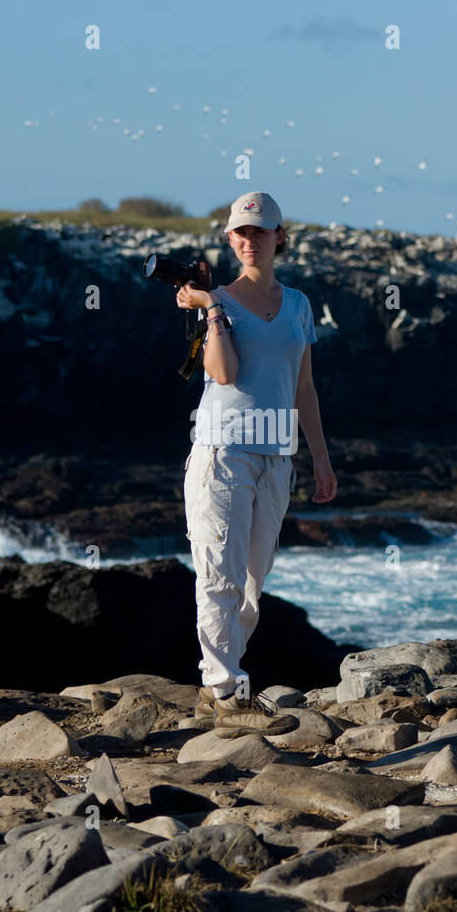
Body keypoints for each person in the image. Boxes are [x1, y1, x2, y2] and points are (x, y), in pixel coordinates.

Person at [176, 190, 337, 737]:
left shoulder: (298, 304)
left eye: (260, 232)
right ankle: (226, 690)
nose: (250, 241)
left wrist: (320, 457)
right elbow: (222, 373)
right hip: (222, 451)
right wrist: (213, 309)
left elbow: (304, 385)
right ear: (230, 239)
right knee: (217, 573)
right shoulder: (210, 298)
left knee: (250, 582)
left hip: (276, 455)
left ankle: (213, 685)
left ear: (279, 238)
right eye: (240, 233)